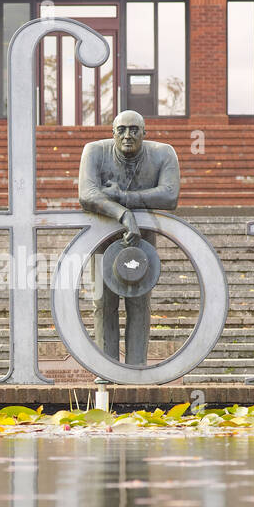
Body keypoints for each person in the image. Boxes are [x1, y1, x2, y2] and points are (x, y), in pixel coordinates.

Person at [77, 110, 180, 364]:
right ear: (112, 133)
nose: (127, 135)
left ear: (144, 133)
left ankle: (136, 369)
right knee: (102, 304)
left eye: (134, 130)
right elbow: (87, 195)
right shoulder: (94, 151)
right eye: (121, 130)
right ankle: (107, 371)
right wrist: (123, 214)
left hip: (141, 240)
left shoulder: (163, 154)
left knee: (139, 305)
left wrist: (123, 197)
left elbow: (169, 195)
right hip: (102, 239)